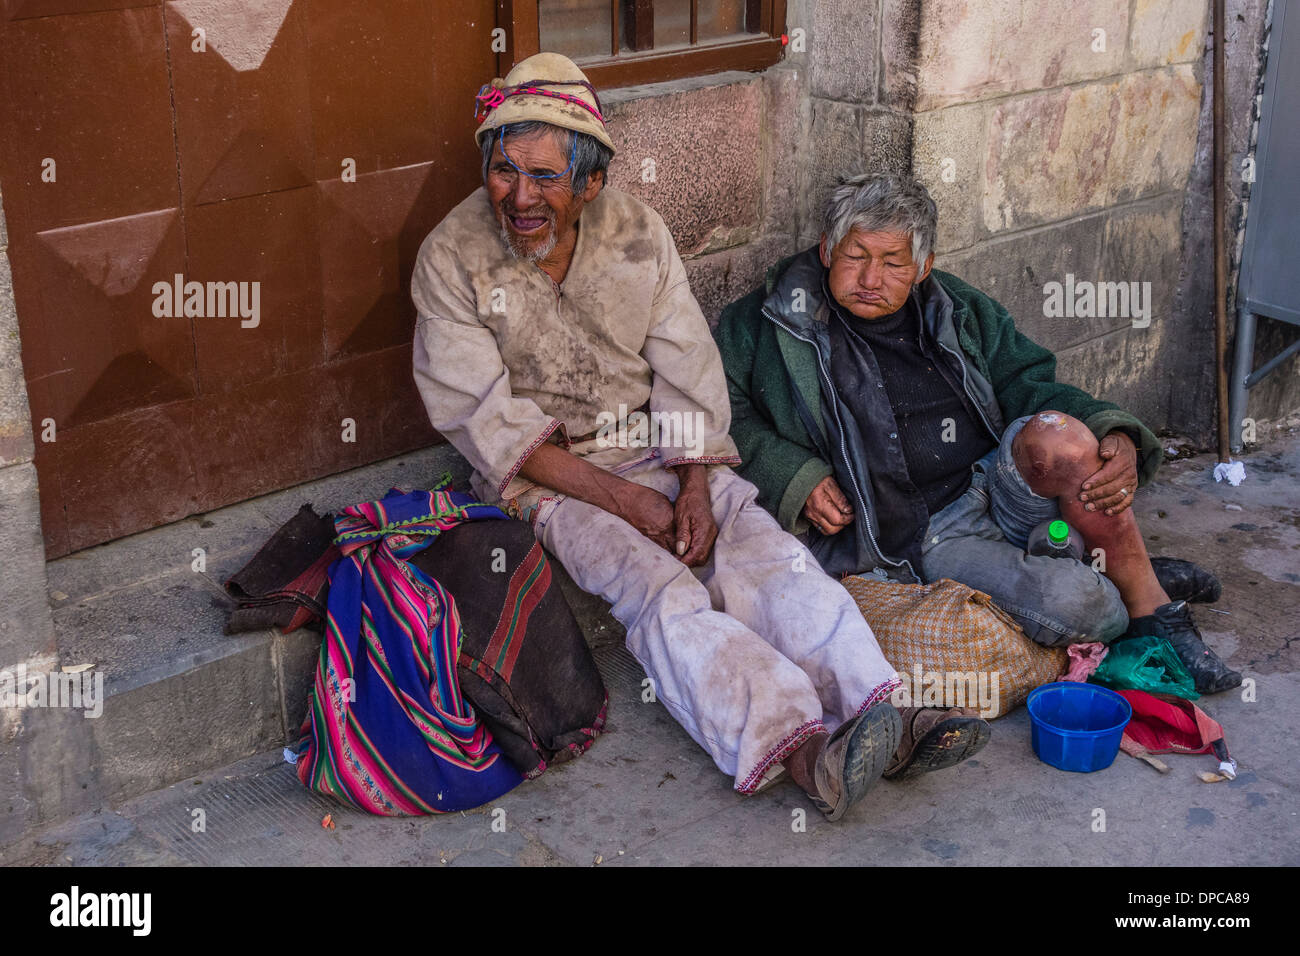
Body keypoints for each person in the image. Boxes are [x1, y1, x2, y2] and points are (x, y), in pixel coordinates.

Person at [409, 55, 988, 820]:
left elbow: (686, 369)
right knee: (660, 589)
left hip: (657, 442)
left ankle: (885, 713)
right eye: (505, 170)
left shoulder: (638, 233)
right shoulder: (451, 255)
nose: (521, 195)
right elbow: (483, 419)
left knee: (762, 551)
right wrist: (623, 501)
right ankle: (804, 750)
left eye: (546, 177)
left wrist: (691, 484)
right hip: (543, 473)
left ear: (590, 182)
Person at [714, 172, 1240, 695]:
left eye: (893, 262)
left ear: (923, 267)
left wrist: (1112, 433)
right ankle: (1122, 580)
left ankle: (1150, 608)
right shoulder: (769, 321)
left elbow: (1026, 379)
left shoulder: (953, 306)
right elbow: (720, 409)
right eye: (856, 256)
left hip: (996, 479)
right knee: (1084, 607)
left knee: (1067, 437)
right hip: (929, 527)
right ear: (828, 249)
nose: (871, 278)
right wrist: (795, 475)